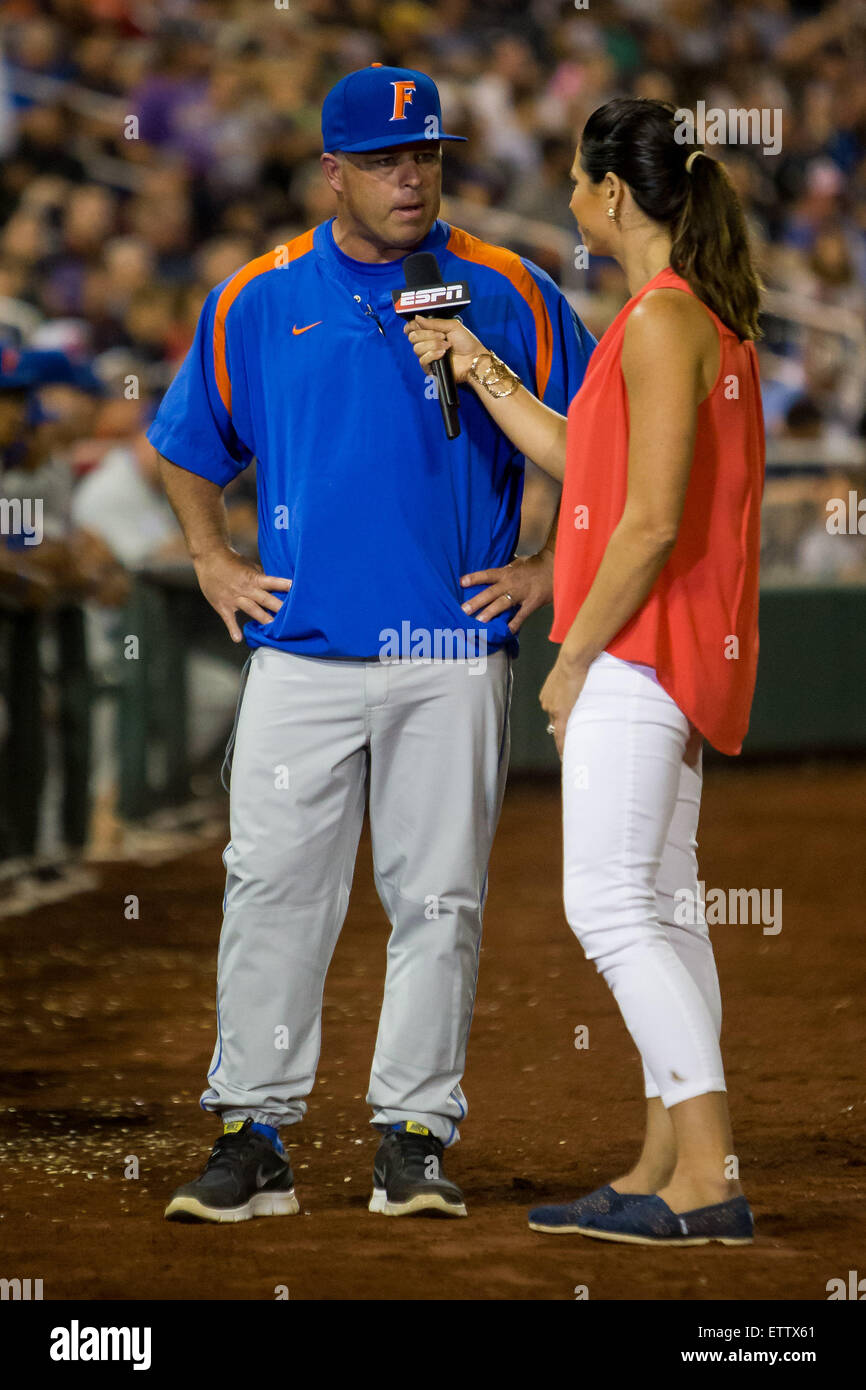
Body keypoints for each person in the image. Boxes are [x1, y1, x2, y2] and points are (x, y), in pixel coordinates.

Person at [149, 65, 595, 1223]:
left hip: (450, 648)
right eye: (388, 159)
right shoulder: (256, 295)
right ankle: (253, 1129)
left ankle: (412, 1133)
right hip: (299, 646)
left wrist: (547, 562)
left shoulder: (507, 287)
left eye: (427, 155)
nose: (412, 176)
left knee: (436, 898)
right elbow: (189, 444)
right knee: (271, 892)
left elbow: (597, 443)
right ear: (332, 170)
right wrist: (209, 555)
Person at [407, 96, 764, 1246]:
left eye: (574, 179)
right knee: (659, 904)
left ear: (613, 195)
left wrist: (568, 658)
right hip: (670, 643)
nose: (564, 197)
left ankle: (706, 1174)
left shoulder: (661, 320)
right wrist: (478, 365)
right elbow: (589, 462)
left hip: (641, 642)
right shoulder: (676, 314)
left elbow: (646, 524)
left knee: (606, 904)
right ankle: (669, 1161)